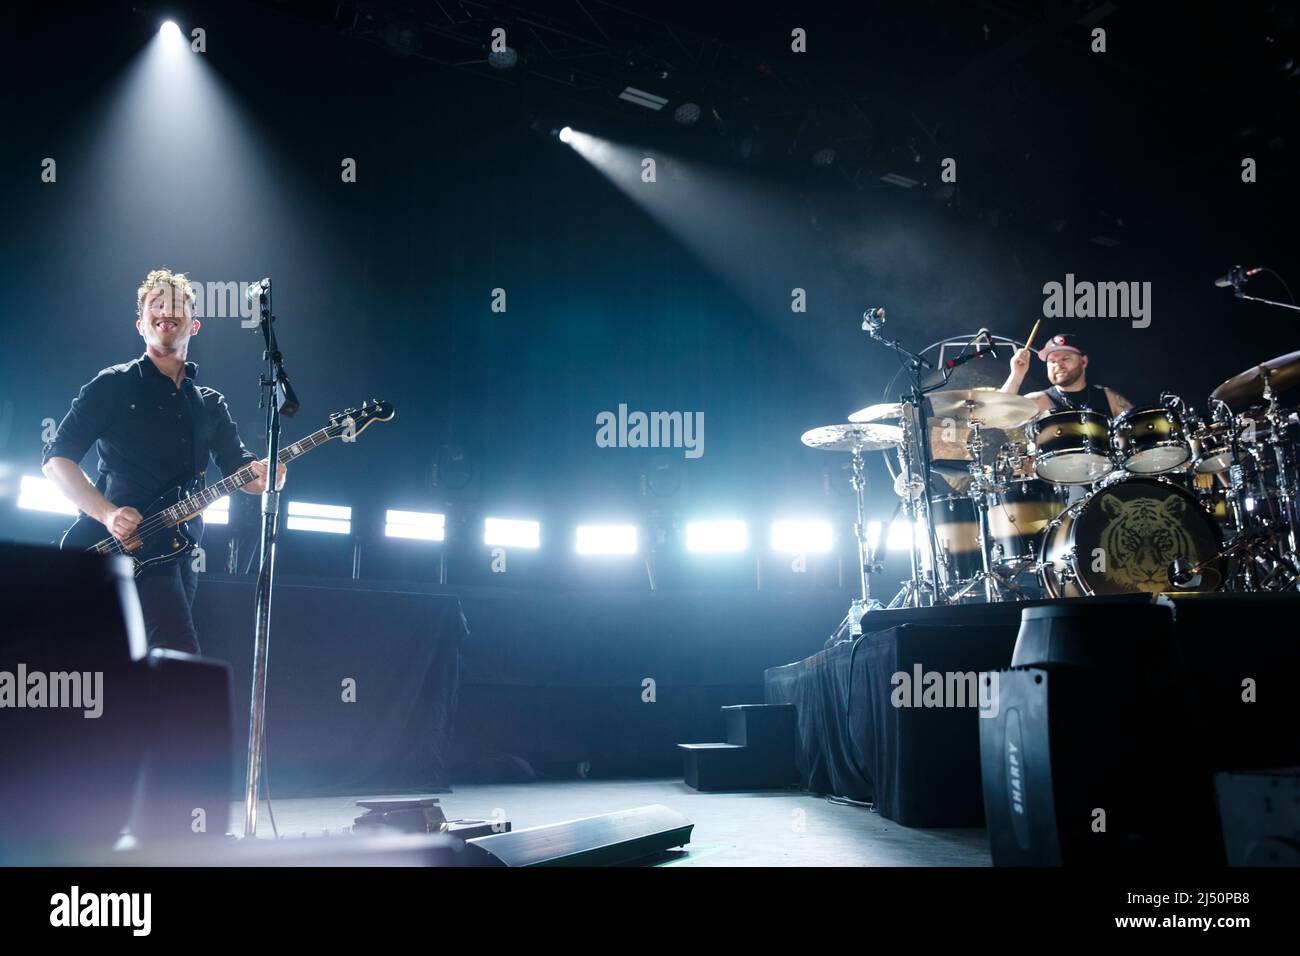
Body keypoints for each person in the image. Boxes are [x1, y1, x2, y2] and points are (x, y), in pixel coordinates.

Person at [41, 268, 286, 653]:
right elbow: (56, 460)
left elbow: (242, 470)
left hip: (180, 551)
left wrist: (266, 476)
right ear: (141, 324)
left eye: (176, 305)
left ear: (194, 325)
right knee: (175, 658)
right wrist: (107, 514)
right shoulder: (114, 384)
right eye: (155, 304)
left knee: (145, 665)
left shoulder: (209, 404)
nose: (165, 310)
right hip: (115, 545)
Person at [1000, 332, 1134, 417]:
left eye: (1065, 358)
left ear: (1084, 361)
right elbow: (1000, 415)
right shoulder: (1038, 401)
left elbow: (1137, 428)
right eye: (1052, 361)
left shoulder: (1108, 397)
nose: (1058, 365)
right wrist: (1016, 375)